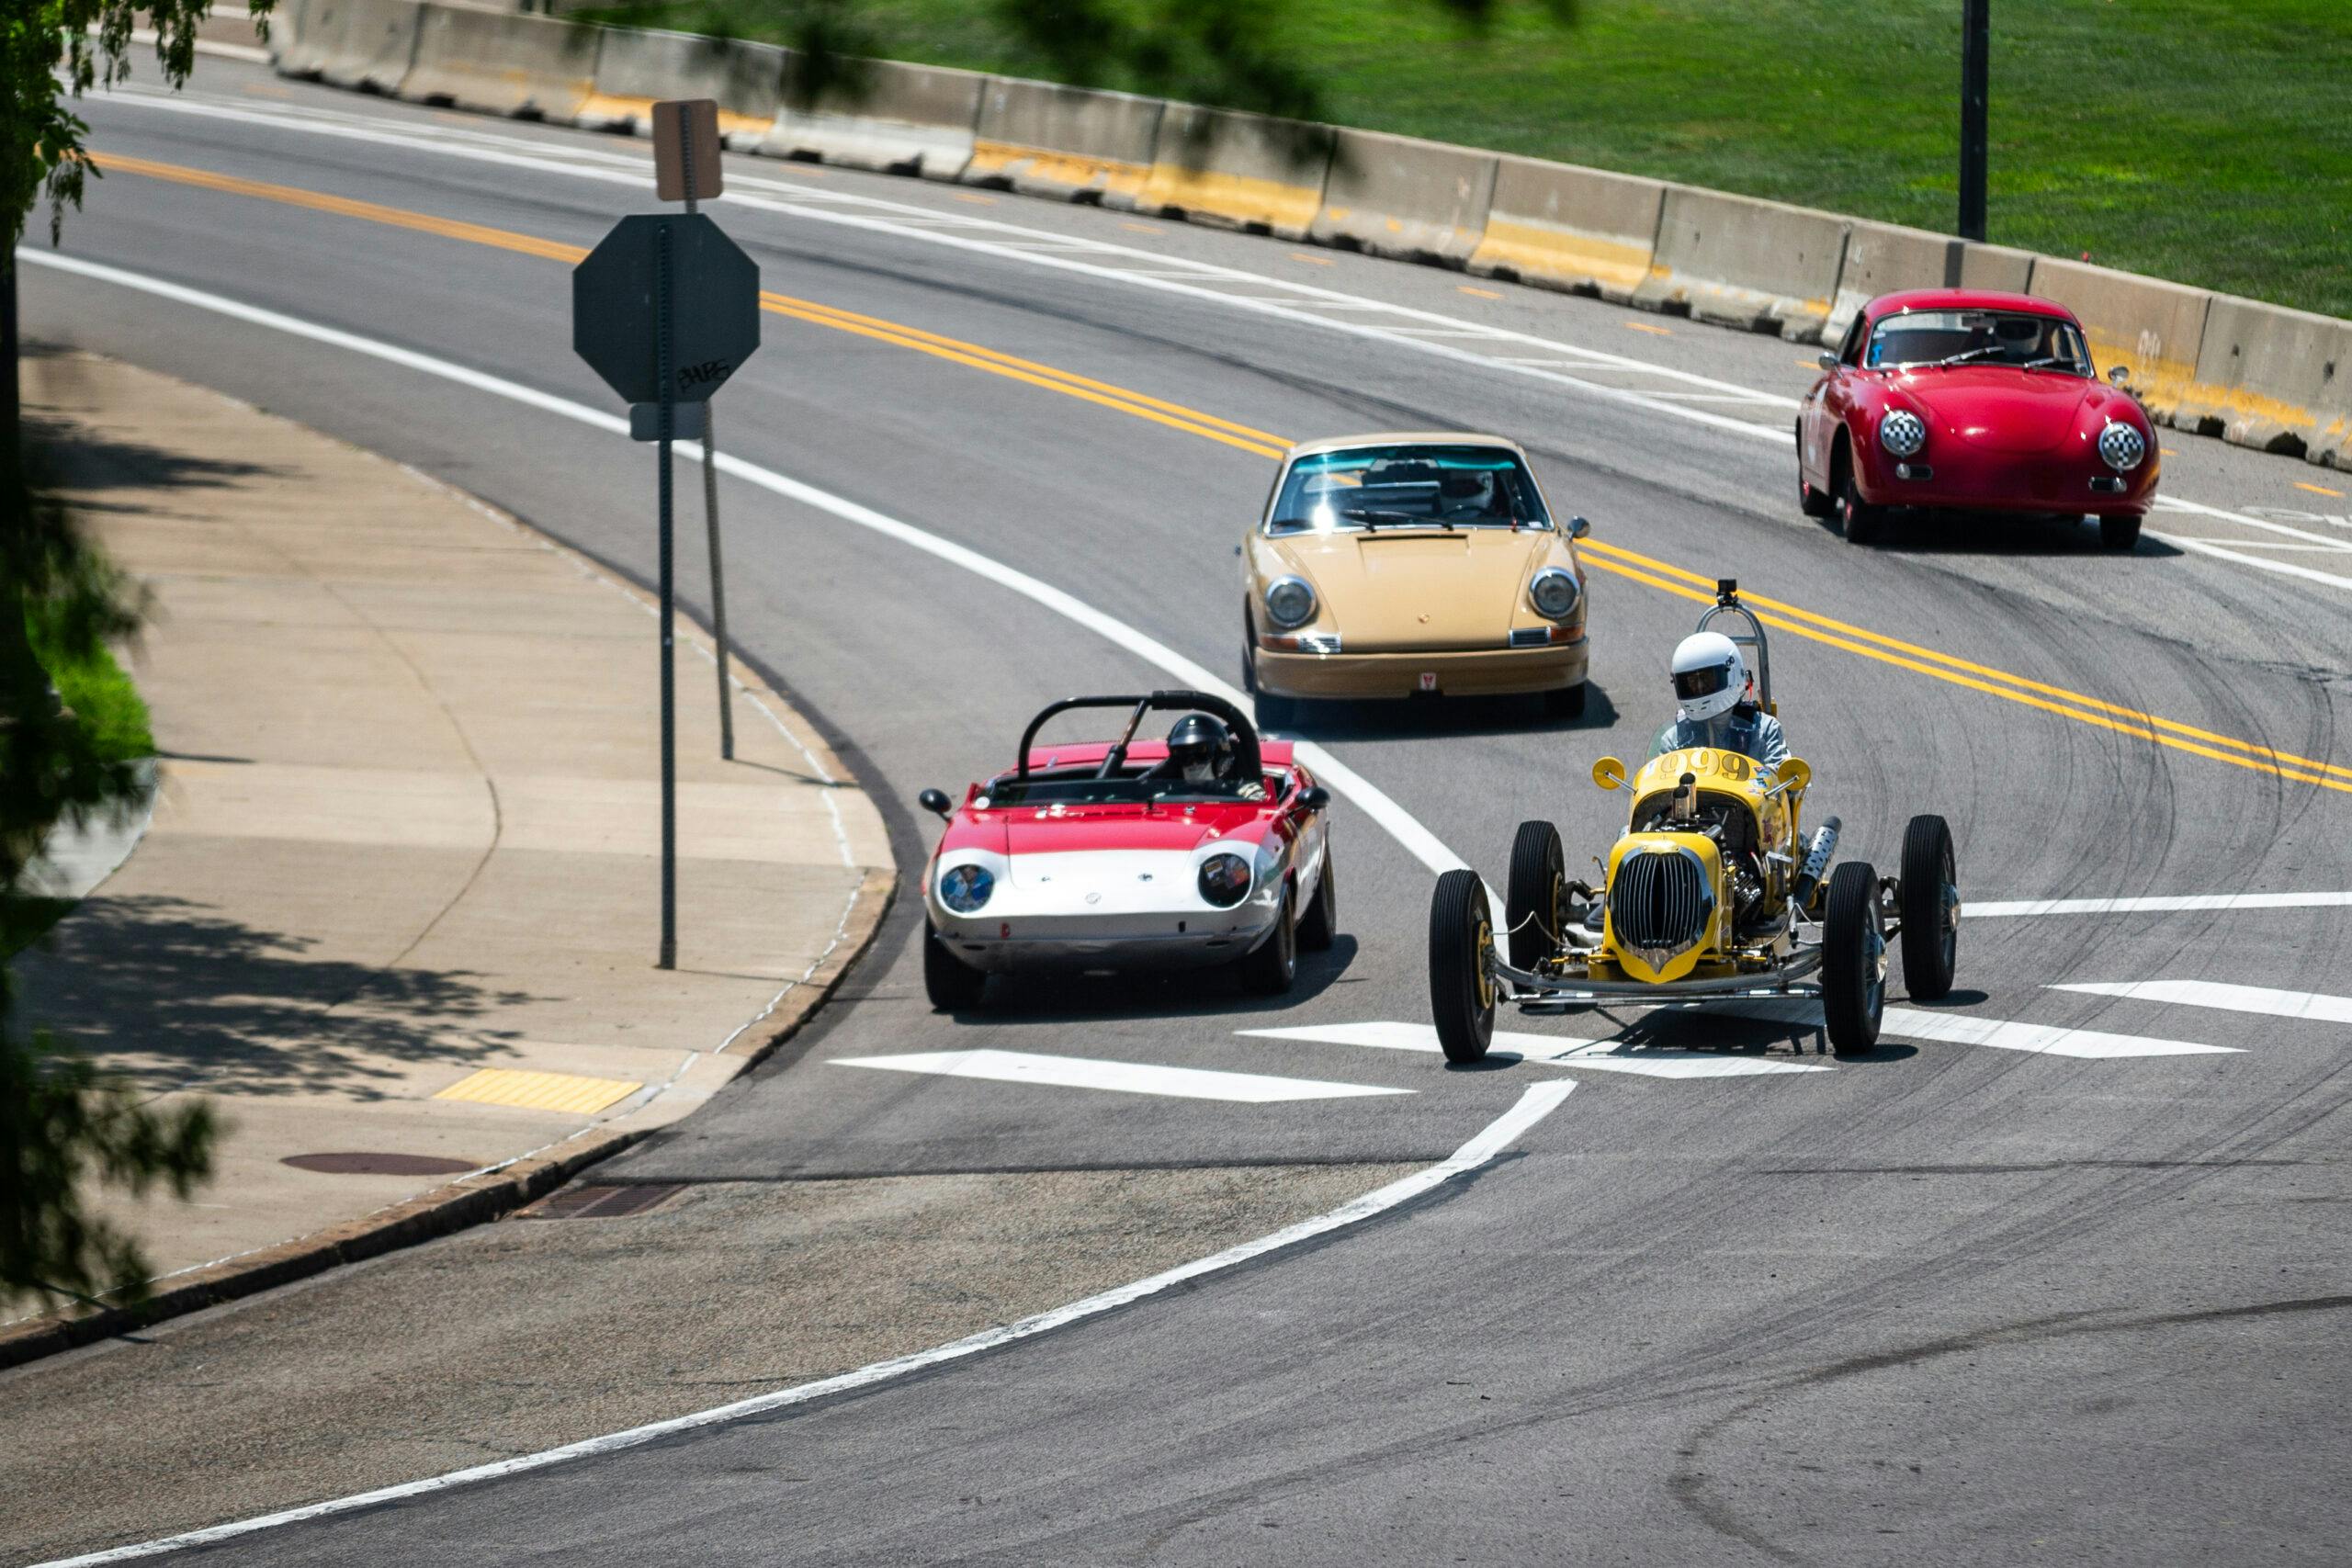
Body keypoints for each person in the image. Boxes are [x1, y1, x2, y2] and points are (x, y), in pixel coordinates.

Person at [1651, 632, 1787, 768]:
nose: (1699, 687)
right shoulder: (1673, 739)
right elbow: (1657, 784)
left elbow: (1786, 783)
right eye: (1691, 682)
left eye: (1706, 679)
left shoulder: (1765, 729)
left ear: (1732, 673)